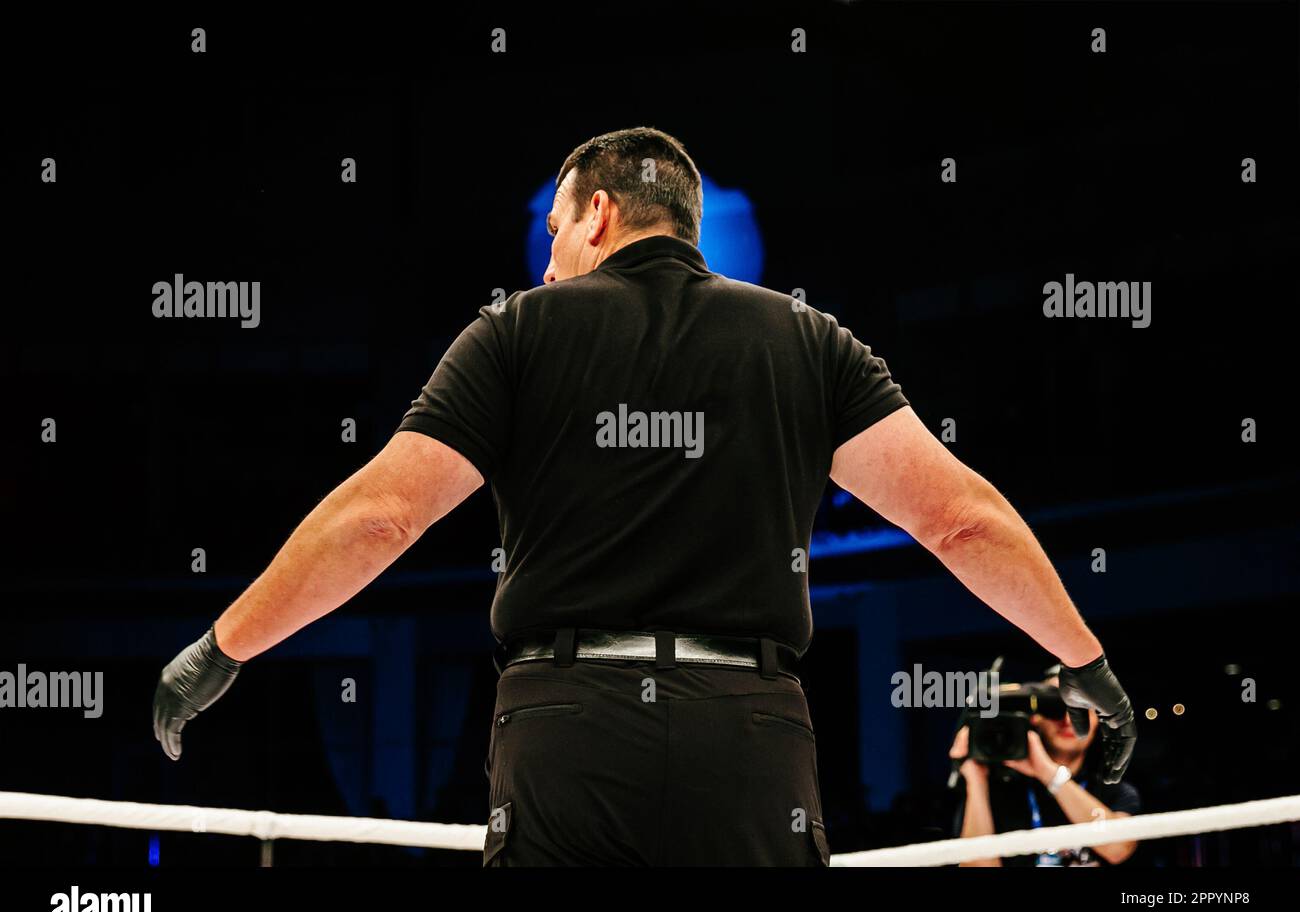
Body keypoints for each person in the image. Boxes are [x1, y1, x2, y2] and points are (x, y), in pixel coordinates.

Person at [153, 126, 1136, 866]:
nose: (545, 261)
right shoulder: (804, 338)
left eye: (554, 230)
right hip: (748, 736)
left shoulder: (517, 331)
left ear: (598, 213)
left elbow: (380, 516)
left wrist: (222, 645)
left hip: (568, 727)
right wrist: (1082, 657)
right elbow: (959, 518)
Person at [949, 669, 1142, 866]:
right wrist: (976, 780)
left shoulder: (1113, 789)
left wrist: (1049, 773)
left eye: (1082, 708)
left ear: (1096, 721)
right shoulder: (1000, 790)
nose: (1069, 719)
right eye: (1055, 707)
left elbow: (1118, 849)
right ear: (1035, 718)